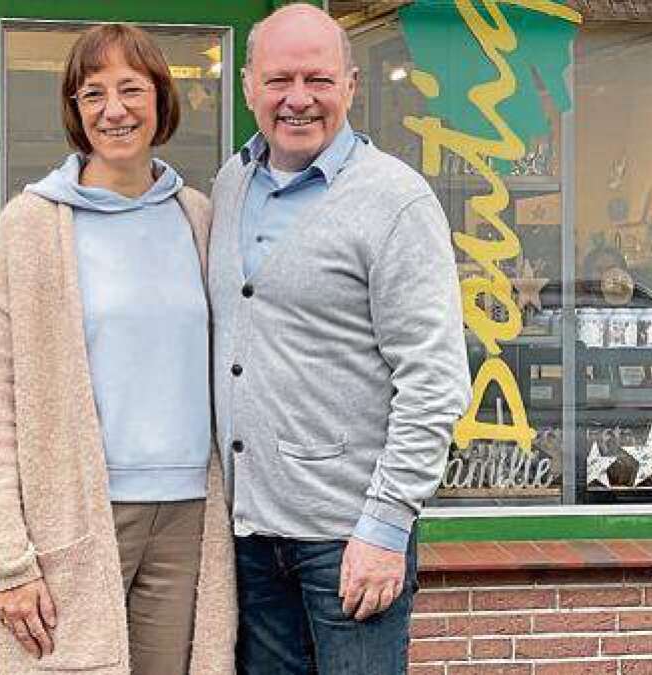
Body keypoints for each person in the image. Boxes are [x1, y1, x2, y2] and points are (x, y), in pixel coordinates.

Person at [0, 23, 235, 675]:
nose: (114, 110)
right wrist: (8, 557)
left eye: (131, 89)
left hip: (187, 514)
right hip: (76, 516)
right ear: (75, 111)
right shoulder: (32, 224)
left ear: (162, 100)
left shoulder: (197, 216)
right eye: (93, 94)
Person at [208, 5, 471, 673]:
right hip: (248, 536)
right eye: (279, 80)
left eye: (318, 79)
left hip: (347, 537)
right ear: (247, 87)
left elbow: (435, 379)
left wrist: (385, 527)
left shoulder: (395, 201)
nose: (298, 99)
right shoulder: (231, 182)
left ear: (351, 86)